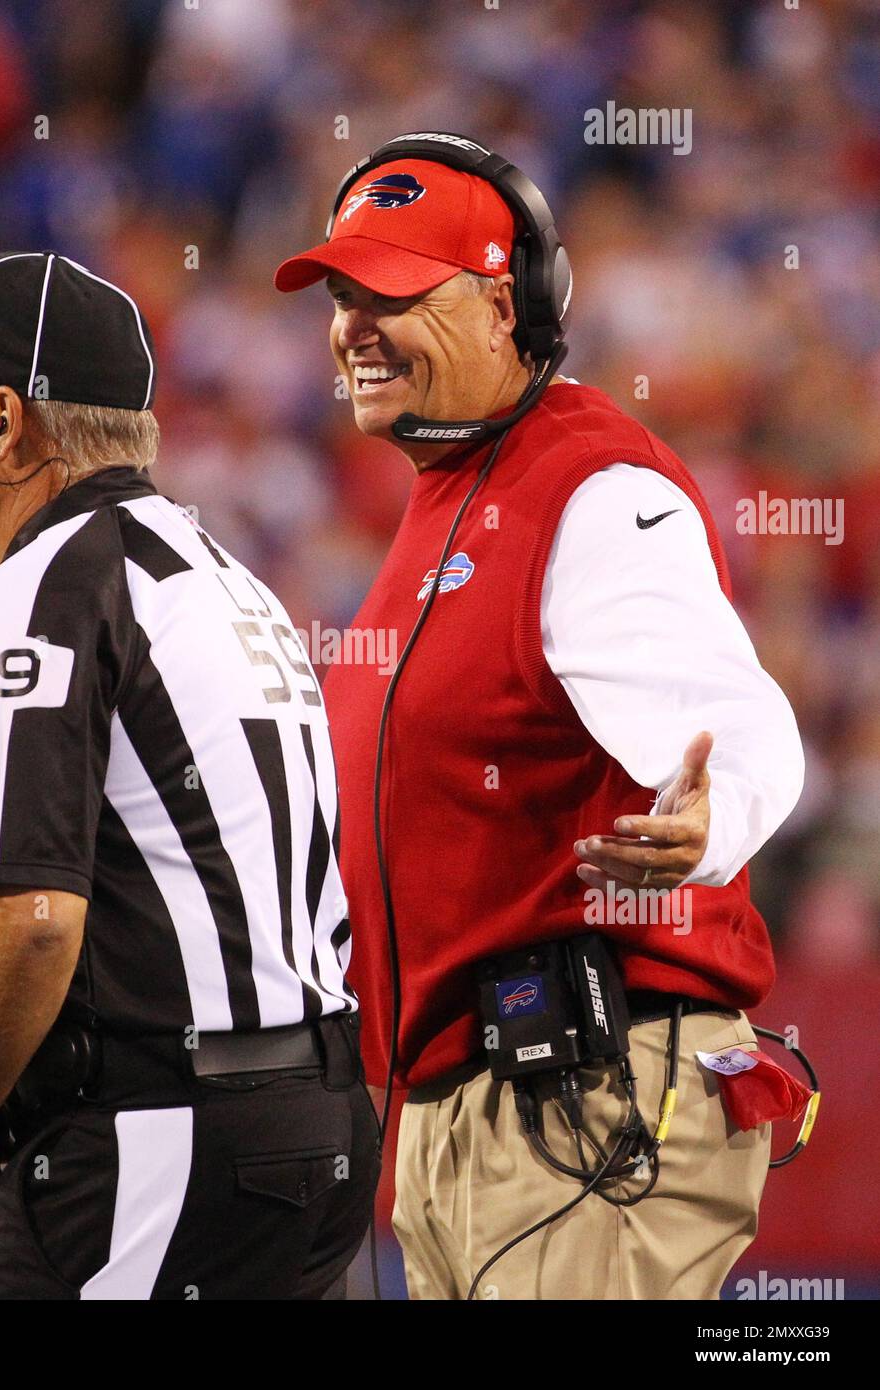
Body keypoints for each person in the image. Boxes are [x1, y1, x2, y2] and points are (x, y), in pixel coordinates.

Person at [274, 134, 805, 1300]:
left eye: (396, 293)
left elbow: (744, 721)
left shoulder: (594, 491)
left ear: (506, 301)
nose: (355, 325)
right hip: (478, 1118)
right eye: (346, 294)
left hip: (591, 1099)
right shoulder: (446, 500)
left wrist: (709, 822)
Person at [0, 249, 379, 1300]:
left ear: (7, 421)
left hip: (161, 1130)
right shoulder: (230, 578)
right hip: (314, 1119)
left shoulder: (47, 584)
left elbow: (35, 915)